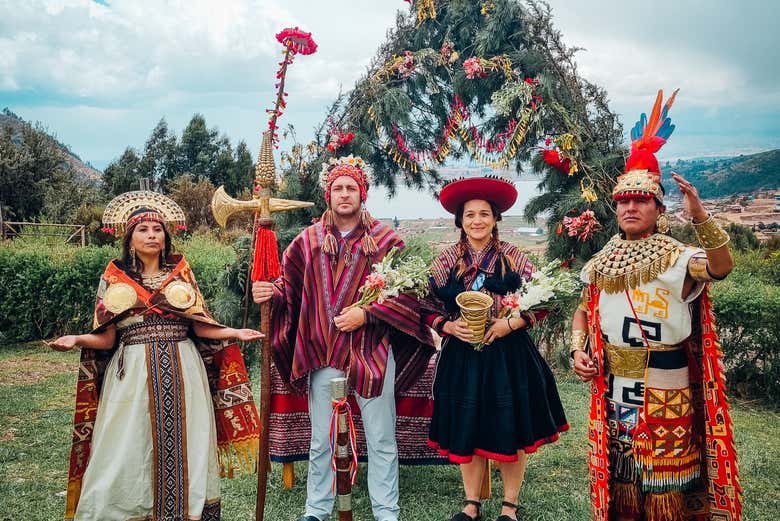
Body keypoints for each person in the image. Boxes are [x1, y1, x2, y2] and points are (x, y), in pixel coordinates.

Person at [570, 90, 741, 521]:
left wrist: (700, 216)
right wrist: (577, 349)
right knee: (623, 478)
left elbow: (721, 266)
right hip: (614, 383)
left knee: (665, 482)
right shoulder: (602, 261)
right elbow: (584, 310)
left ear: (658, 207)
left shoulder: (679, 257)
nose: (630, 207)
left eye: (640, 200)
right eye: (623, 201)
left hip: (667, 381)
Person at [49, 193, 263, 521]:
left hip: (184, 371)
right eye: (143, 229)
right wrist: (77, 339)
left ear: (166, 236)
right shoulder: (113, 278)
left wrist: (234, 332)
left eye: (158, 229)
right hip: (132, 376)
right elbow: (107, 338)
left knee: (189, 442)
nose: (152, 235)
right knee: (125, 446)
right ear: (129, 239)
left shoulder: (181, 274)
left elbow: (199, 326)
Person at [252, 156, 434, 521]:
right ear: (329, 195)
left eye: (351, 188)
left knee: (381, 437)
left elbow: (411, 293)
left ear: (362, 193)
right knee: (321, 437)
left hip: (373, 353)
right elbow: (289, 287)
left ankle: (387, 512)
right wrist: (270, 292)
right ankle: (316, 510)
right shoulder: (307, 242)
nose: (345, 194)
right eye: (338, 188)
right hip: (322, 352)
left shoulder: (386, 241)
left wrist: (367, 314)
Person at [423, 176, 569, 521]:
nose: (477, 221)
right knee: (467, 425)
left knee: (510, 426)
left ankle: (509, 505)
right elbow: (424, 304)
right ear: (460, 220)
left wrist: (510, 324)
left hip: (508, 354)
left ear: (495, 219)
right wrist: (447, 326)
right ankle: (471, 503)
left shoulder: (513, 257)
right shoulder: (445, 261)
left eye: (484, 214)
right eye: (470, 214)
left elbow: (548, 296)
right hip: (462, 354)